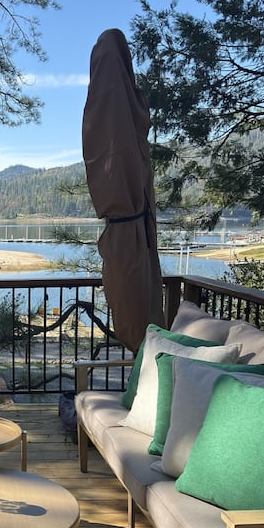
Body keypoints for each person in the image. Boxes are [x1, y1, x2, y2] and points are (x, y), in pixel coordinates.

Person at [82, 28, 164, 352]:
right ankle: (146, 363)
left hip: (132, 234)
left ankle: (147, 368)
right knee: (140, 326)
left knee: (140, 327)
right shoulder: (119, 111)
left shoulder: (116, 111)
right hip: (133, 234)